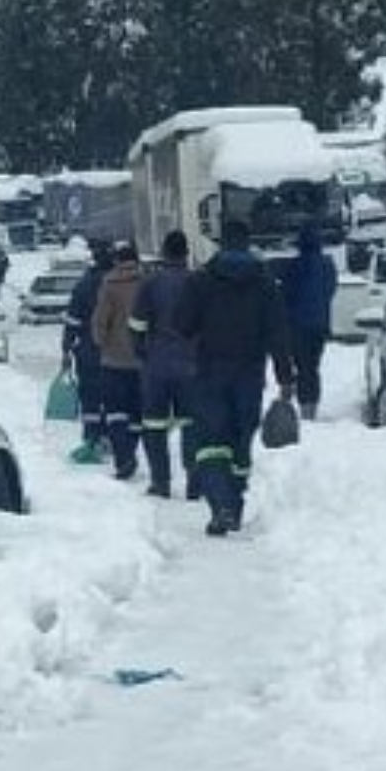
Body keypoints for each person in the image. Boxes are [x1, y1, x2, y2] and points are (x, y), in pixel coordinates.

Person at [172, 218, 295, 536]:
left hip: (209, 372)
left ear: (221, 243)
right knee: (240, 442)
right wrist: (285, 376)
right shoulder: (265, 282)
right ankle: (235, 501)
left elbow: (181, 323)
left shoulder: (202, 280)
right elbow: (278, 332)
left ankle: (221, 506)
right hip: (250, 374)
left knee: (212, 442)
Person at [130, 230, 201, 500]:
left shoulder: (150, 283)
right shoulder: (198, 282)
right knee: (192, 425)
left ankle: (161, 482)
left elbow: (136, 324)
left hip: (157, 366)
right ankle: (195, 481)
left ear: (164, 253)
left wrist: (141, 353)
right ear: (186, 254)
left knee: (154, 426)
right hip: (192, 367)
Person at [90, 242, 146, 480]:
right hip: (142, 360)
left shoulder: (109, 285)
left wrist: (100, 342)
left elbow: (100, 322)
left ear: (117, 261)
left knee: (115, 412)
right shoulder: (147, 283)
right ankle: (131, 450)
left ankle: (123, 458)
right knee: (137, 414)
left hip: (113, 360)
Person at [63, 240, 116, 464]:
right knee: (114, 397)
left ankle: (92, 437)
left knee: (90, 398)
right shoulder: (117, 283)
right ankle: (113, 437)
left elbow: (72, 321)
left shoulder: (84, 285)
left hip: (88, 351)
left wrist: (66, 348)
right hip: (117, 352)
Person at [278, 221, 336, 422]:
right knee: (313, 366)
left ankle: (305, 407)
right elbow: (330, 291)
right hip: (320, 324)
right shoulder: (328, 265)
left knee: (303, 367)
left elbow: (286, 295)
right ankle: (312, 405)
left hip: (298, 325)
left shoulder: (293, 267)